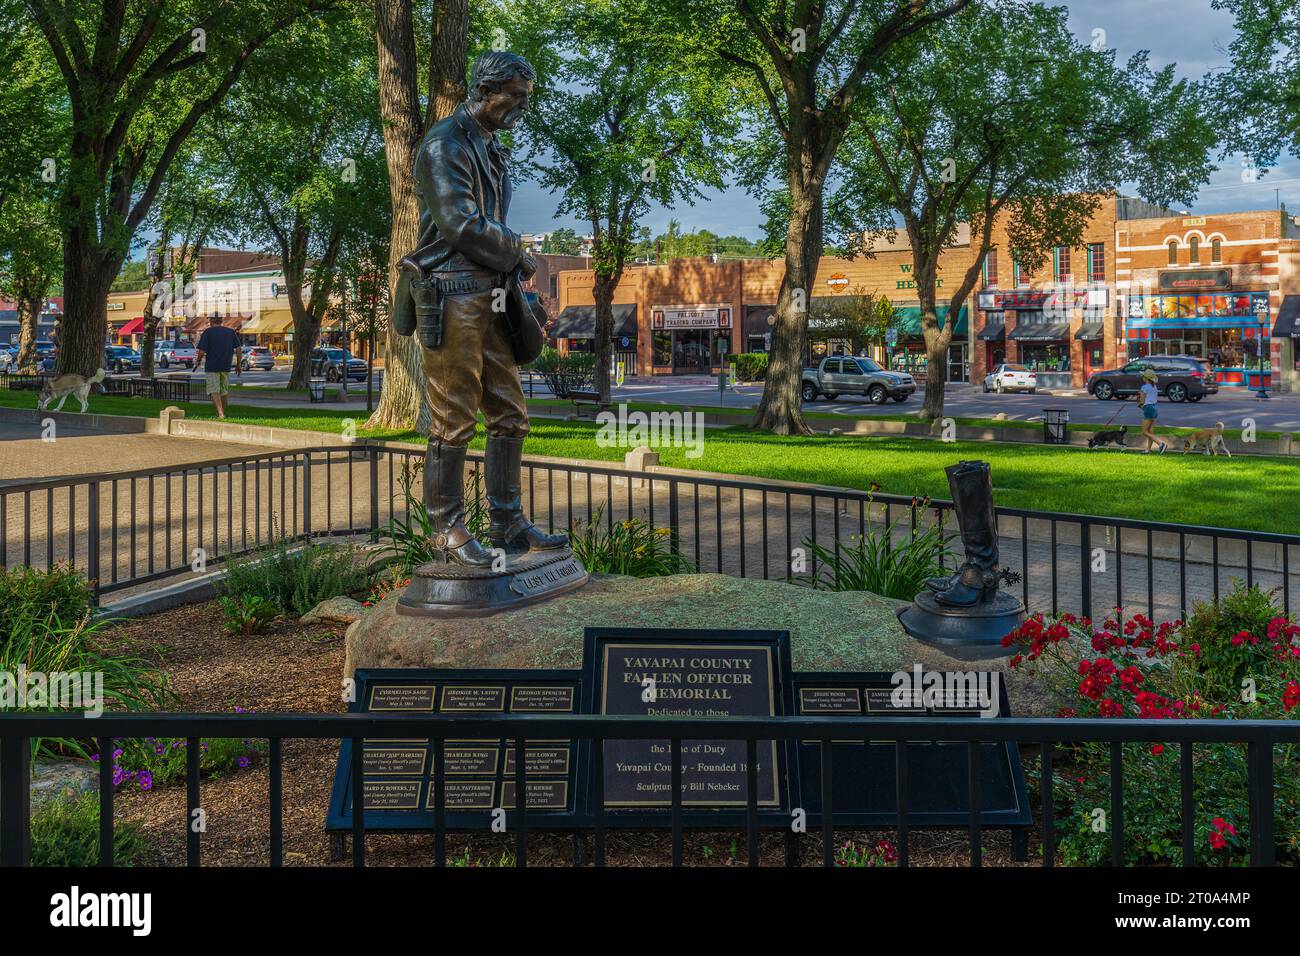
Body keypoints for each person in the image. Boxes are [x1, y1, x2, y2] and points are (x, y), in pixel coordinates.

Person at [389, 50, 565, 567]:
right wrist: (519, 251)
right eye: (517, 96)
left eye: (526, 98)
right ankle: (445, 530)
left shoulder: (488, 144)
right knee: (453, 416)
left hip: (492, 294)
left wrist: (509, 264)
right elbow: (459, 223)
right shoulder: (445, 142)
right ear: (488, 91)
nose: (522, 107)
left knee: (510, 414)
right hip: (451, 292)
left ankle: (508, 523)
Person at [195, 314, 241, 420]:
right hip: (226, 365)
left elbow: (201, 351)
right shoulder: (230, 332)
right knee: (224, 391)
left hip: (212, 366)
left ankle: (221, 414)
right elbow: (238, 349)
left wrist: (198, 361)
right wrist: (238, 365)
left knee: (214, 390)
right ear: (221, 321)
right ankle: (220, 413)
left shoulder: (208, 332)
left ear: (211, 321)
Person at [1138, 367, 1166, 454]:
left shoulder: (1144, 387)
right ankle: (1148, 450)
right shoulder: (1154, 386)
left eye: (1143, 376)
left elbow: (1142, 399)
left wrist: (1140, 405)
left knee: (1144, 431)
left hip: (1148, 408)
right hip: (1154, 408)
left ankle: (1161, 443)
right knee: (1150, 431)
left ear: (1146, 378)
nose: (1142, 377)